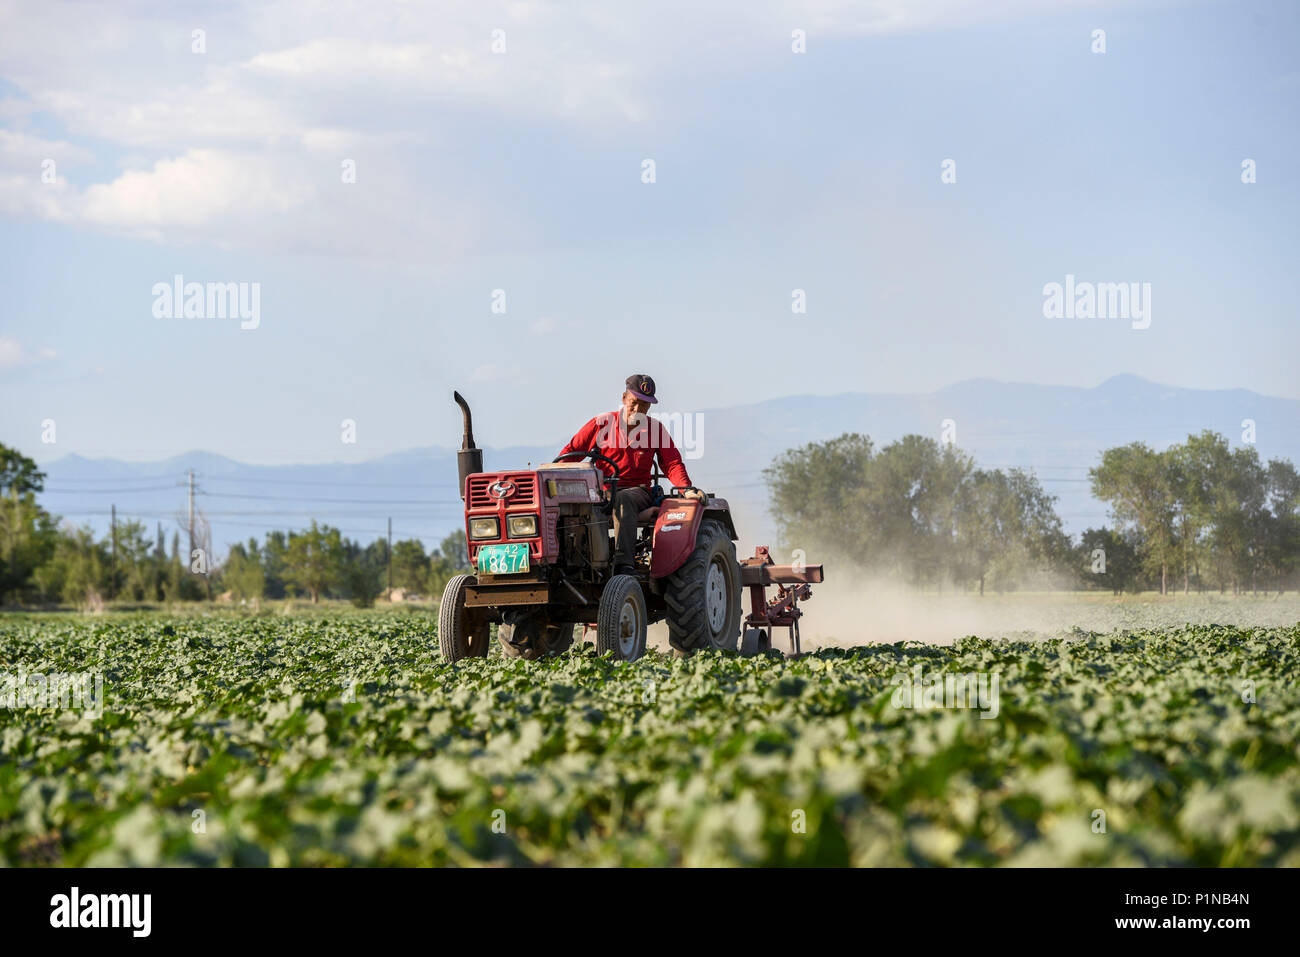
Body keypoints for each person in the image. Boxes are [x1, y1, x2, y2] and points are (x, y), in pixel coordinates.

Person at [558, 374, 705, 575]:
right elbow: (571, 453)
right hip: (602, 493)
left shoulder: (655, 429)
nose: (638, 410)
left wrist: (686, 489)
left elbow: (671, 463)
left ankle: (623, 566)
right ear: (624, 398)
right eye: (634, 403)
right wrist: (551, 478)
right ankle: (567, 566)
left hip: (637, 493)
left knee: (623, 498)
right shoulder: (601, 424)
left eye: (644, 406)